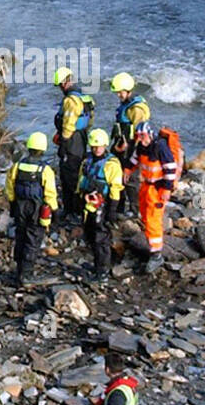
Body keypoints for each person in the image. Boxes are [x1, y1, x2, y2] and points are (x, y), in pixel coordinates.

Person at [5, 131, 58, 286]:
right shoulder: (45, 170)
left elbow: (9, 187)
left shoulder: (17, 166)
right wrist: (54, 212)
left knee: (20, 236)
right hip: (36, 209)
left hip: (20, 207)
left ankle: (19, 270)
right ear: (43, 149)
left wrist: (13, 203)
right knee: (33, 240)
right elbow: (50, 193)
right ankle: (26, 275)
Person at [127, 121, 178, 271]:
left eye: (142, 135)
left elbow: (170, 168)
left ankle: (156, 255)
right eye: (138, 136)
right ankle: (151, 243)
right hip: (146, 186)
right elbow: (135, 159)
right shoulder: (142, 146)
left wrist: (167, 189)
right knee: (144, 215)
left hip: (158, 188)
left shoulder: (160, 147)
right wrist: (128, 170)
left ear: (149, 134)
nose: (140, 138)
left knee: (153, 219)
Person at [77, 128, 123, 284]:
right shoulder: (87, 160)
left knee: (100, 238)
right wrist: (79, 195)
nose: (96, 149)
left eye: (99, 146)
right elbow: (81, 179)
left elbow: (116, 188)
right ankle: (97, 266)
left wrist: (112, 210)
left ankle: (103, 273)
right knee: (90, 235)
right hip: (88, 204)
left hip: (103, 205)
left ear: (105, 145)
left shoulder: (111, 165)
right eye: (94, 147)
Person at [53, 65, 93, 219]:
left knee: (69, 175)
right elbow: (90, 120)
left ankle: (72, 210)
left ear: (64, 83)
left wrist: (63, 144)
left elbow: (68, 125)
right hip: (81, 138)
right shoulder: (84, 96)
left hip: (72, 141)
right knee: (79, 172)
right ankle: (78, 208)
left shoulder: (71, 101)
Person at [109, 72, 150, 214]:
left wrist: (134, 153)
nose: (119, 95)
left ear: (128, 90)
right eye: (118, 93)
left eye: (120, 92)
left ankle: (136, 211)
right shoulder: (126, 105)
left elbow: (141, 133)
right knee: (118, 176)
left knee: (131, 180)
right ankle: (119, 208)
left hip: (131, 148)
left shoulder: (136, 109)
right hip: (122, 146)